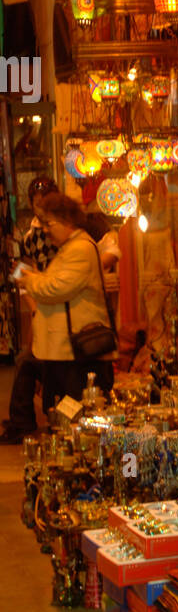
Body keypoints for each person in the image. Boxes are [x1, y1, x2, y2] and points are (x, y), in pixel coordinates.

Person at [19, 192, 115, 412]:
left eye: (48, 223)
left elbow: (56, 288)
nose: (45, 230)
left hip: (77, 349)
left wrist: (29, 280)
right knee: (64, 410)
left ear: (66, 221)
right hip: (65, 349)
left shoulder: (80, 249)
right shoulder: (70, 248)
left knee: (77, 411)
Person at [0, 175, 58, 443]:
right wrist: (35, 309)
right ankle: (22, 420)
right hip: (45, 309)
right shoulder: (31, 236)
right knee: (26, 359)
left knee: (28, 361)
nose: (41, 208)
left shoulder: (65, 232)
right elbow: (23, 277)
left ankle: (25, 420)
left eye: (46, 202)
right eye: (37, 204)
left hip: (61, 314)